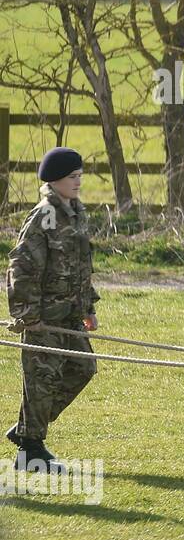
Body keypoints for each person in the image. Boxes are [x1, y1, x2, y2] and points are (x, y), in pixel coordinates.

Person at [6, 148, 99, 474]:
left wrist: (88, 306)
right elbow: (20, 267)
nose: (78, 182)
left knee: (83, 369)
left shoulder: (75, 213)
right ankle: (31, 449)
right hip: (43, 318)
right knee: (42, 380)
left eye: (79, 176)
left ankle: (26, 430)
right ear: (55, 180)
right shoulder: (44, 216)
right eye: (72, 177)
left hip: (70, 315)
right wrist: (27, 314)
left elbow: (81, 266)